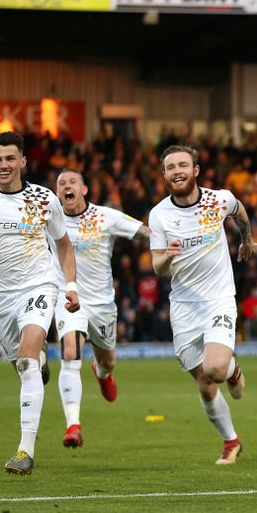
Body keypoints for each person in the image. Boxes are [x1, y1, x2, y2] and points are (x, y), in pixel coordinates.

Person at [0, 131, 81, 475]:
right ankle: (38, 357)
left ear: (23, 161)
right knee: (24, 366)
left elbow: (63, 246)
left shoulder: (43, 198)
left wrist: (70, 284)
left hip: (38, 285)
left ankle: (25, 450)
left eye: (10, 159)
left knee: (25, 361)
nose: (3, 165)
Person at [149, 144, 256, 466]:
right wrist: (168, 254)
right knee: (204, 383)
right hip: (183, 306)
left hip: (219, 298)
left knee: (215, 370)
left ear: (196, 170)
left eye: (183, 165)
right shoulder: (159, 214)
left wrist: (246, 239)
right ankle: (231, 441)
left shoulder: (218, 199)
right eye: (171, 167)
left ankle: (232, 368)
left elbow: (239, 211)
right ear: (165, 174)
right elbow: (156, 266)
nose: (177, 171)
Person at [51, 168, 149, 448]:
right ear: (58, 193)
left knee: (108, 361)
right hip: (68, 296)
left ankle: (102, 373)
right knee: (70, 351)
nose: (66, 186)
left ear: (84, 190)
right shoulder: (49, 219)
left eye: (72, 182)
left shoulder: (105, 216)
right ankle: (73, 425)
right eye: (61, 184)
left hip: (102, 303)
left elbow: (141, 231)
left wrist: (167, 243)